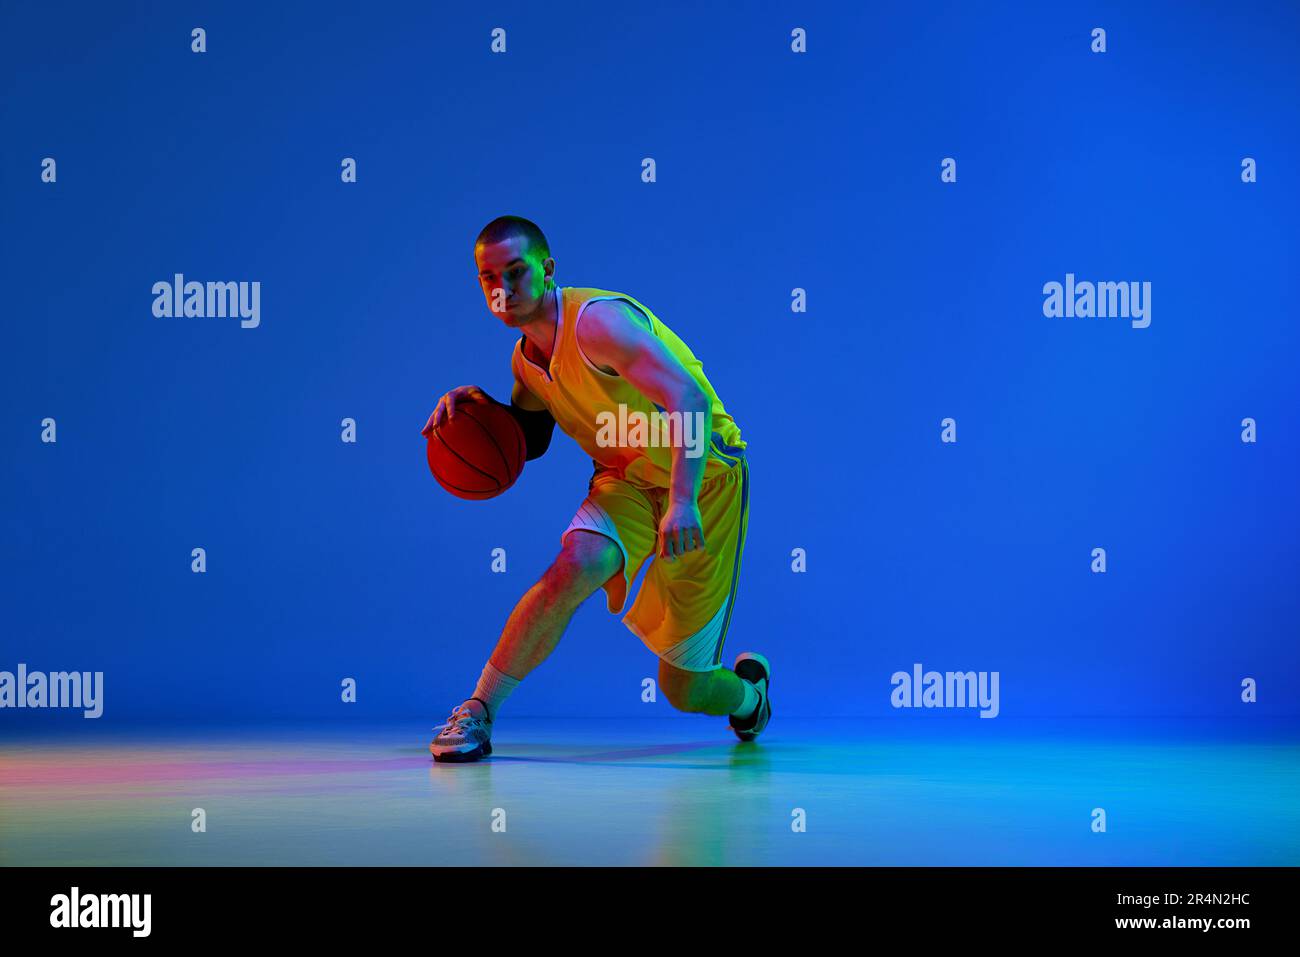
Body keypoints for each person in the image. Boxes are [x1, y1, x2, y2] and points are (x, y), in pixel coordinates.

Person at [422, 215, 770, 762]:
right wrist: (472, 409)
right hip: (627, 478)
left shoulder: (597, 325)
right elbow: (527, 440)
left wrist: (682, 500)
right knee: (572, 568)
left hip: (703, 479)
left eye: (516, 273)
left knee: (684, 689)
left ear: (548, 270)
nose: (503, 289)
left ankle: (750, 697)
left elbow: (690, 401)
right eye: (489, 278)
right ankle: (478, 711)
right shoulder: (525, 360)